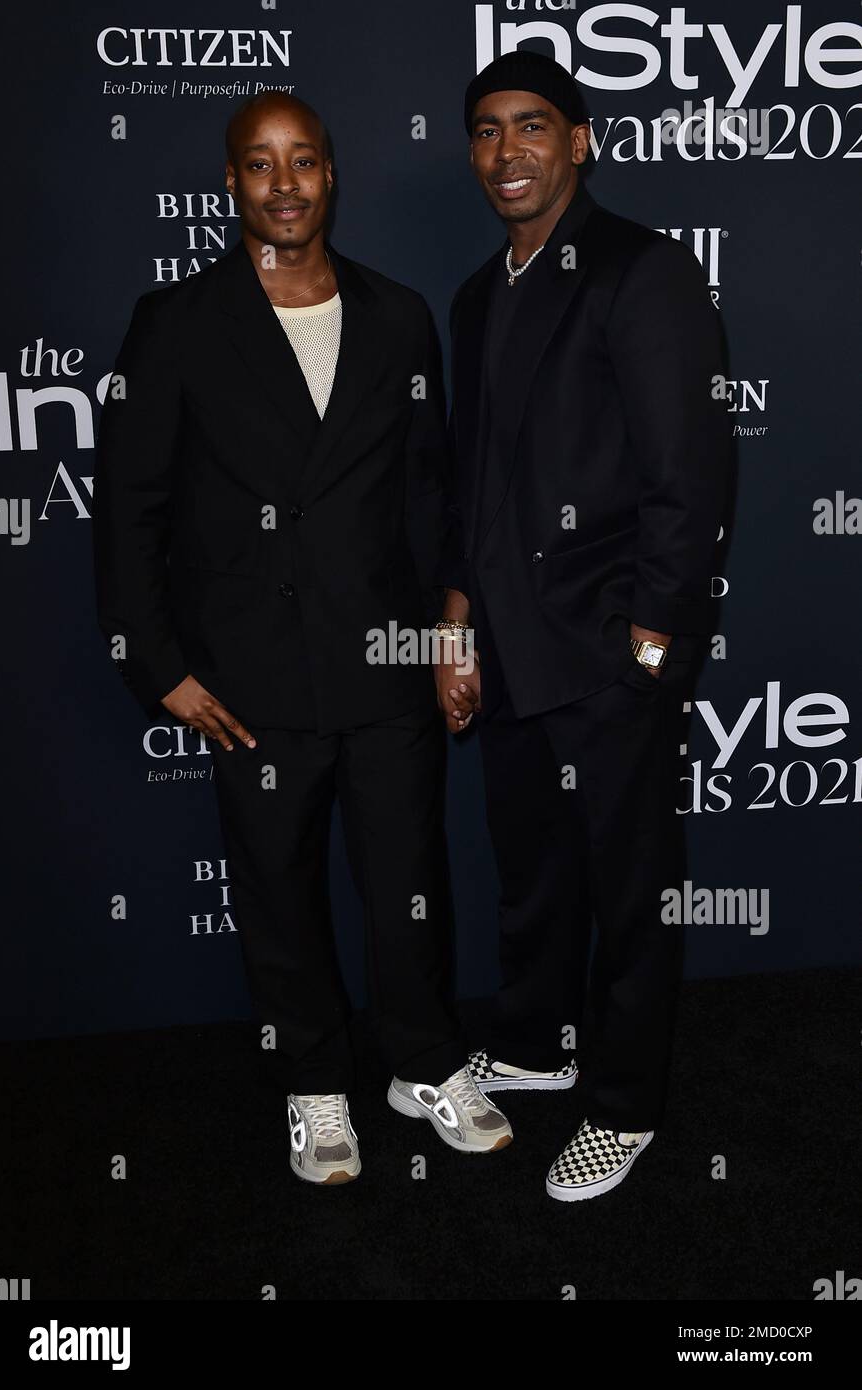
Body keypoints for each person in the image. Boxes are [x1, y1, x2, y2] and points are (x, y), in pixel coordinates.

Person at [93, 91, 512, 1188]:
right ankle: (314, 1084)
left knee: (408, 879)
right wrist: (161, 666)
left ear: (334, 174)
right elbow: (129, 508)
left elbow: (432, 497)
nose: (284, 184)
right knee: (278, 895)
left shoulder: (399, 315)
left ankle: (421, 1062)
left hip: (385, 665)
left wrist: (449, 630)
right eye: (260, 164)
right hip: (249, 678)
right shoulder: (175, 321)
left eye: (305, 162)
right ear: (229, 182)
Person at [434, 51, 731, 1201]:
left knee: (630, 889)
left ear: (580, 140)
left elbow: (690, 481)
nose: (507, 151)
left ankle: (625, 1103)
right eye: (486, 131)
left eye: (532, 127)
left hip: (607, 651)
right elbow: (474, 482)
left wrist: (651, 647)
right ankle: (534, 1041)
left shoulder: (639, 272)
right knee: (532, 869)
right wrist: (456, 619)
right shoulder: (473, 296)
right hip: (506, 646)